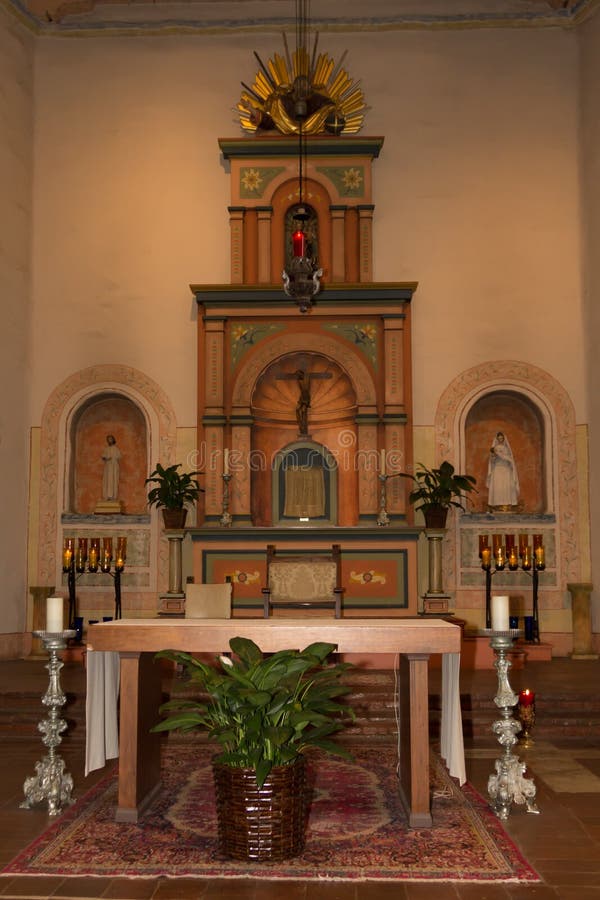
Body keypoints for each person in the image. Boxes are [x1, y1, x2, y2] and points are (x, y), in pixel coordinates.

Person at [486, 431, 519, 508]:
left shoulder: (507, 448)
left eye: (502, 438)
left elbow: (510, 459)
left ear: (504, 439)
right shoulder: (494, 449)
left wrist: (502, 455)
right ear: (497, 439)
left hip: (506, 469)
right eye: (499, 438)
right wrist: (493, 455)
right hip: (497, 469)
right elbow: (492, 461)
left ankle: (506, 504)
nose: (500, 440)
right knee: (498, 486)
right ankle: (497, 504)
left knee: (506, 487)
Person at [101, 434, 121, 500]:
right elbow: (103, 457)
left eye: (111, 439)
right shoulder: (106, 449)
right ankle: (107, 496)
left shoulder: (116, 449)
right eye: (108, 439)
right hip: (108, 467)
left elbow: (119, 456)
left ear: (113, 440)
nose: (109, 440)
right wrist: (106, 459)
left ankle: (113, 497)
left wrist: (113, 459)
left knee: (114, 480)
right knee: (107, 480)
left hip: (114, 467)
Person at [295, 370, 311, 435]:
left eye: (299, 375)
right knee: (297, 410)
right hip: (302, 399)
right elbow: (302, 392)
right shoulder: (300, 381)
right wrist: (300, 401)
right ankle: (301, 427)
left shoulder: (306, 381)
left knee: (303, 412)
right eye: (297, 375)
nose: (298, 376)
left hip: (305, 399)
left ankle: (303, 429)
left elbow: (306, 392)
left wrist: (305, 403)